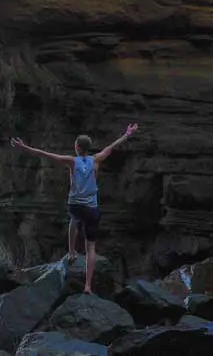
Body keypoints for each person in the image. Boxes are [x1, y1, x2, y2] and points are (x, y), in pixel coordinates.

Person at [10, 123, 139, 294]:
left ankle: (71, 252)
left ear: (77, 147)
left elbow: (45, 154)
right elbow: (113, 146)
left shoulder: (72, 161)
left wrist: (23, 147)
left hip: (76, 205)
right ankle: (87, 286)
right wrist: (127, 134)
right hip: (91, 207)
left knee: (74, 219)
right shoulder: (97, 159)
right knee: (91, 247)